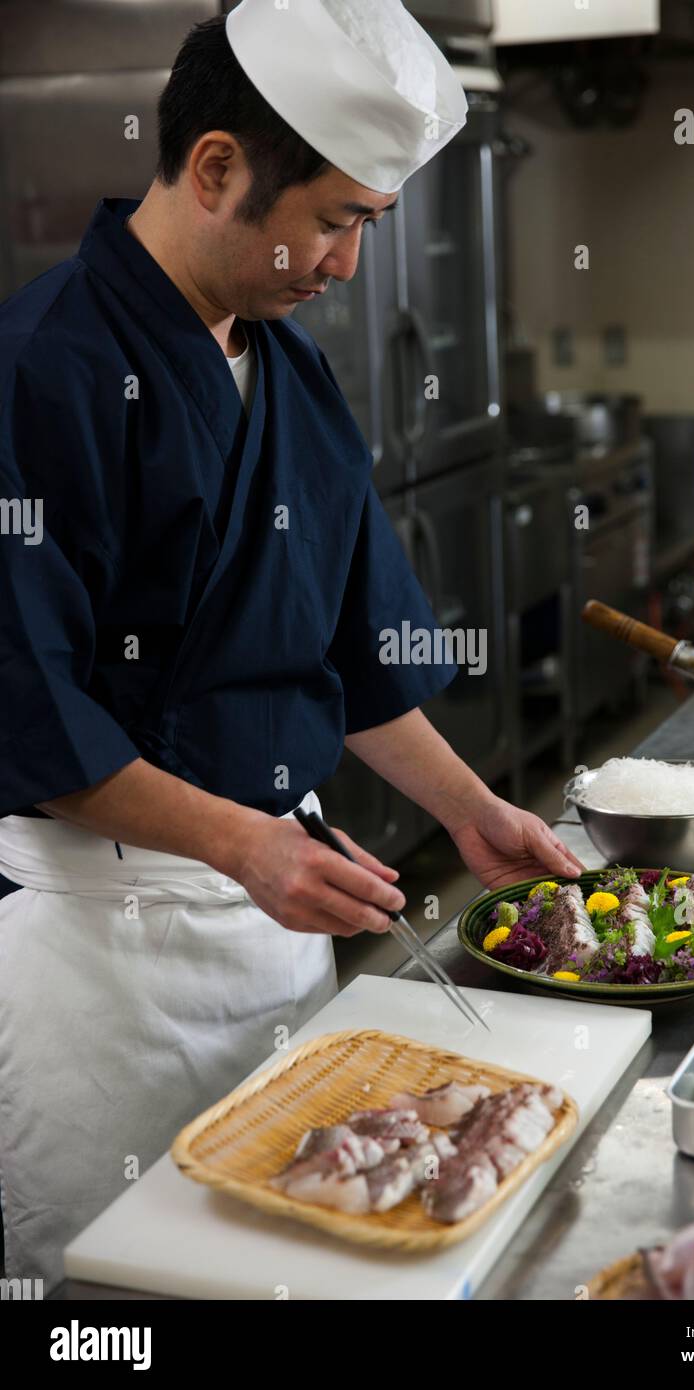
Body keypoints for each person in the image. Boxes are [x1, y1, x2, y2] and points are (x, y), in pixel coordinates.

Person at [0, 0, 583, 1292]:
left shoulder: (289, 373)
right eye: (336, 222)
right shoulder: (40, 374)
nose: (346, 267)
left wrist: (474, 808)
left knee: (301, 1265)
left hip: (278, 929)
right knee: (122, 1294)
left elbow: (350, 648)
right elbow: (29, 714)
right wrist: (237, 842)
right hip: (111, 961)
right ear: (215, 171)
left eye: (364, 227)